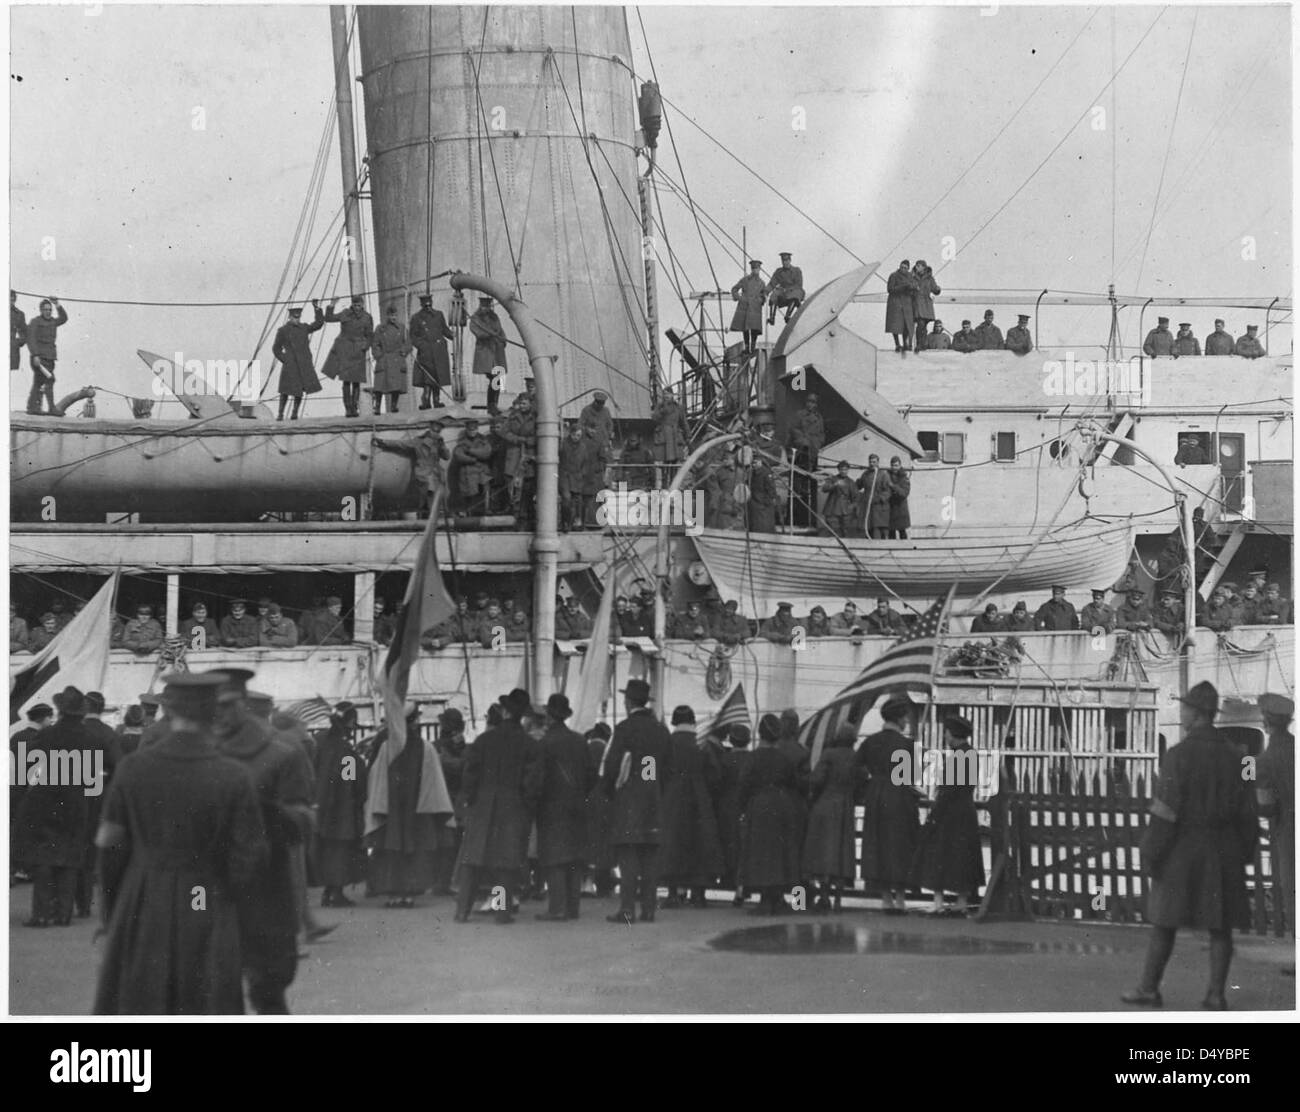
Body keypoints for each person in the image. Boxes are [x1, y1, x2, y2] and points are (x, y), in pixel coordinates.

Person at [93, 673, 267, 1014]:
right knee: (204, 993)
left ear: (168, 712)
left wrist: (113, 912)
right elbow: (250, 858)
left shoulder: (133, 768)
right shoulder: (233, 775)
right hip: (205, 897)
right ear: (213, 715)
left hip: (143, 896)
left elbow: (108, 845)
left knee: (141, 992)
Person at [1121, 682, 1256, 1009]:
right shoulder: (1237, 758)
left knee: (1164, 923)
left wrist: (1151, 850)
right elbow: (1248, 814)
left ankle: (1149, 989)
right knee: (1220, 927)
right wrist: (1244, 855)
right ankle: (1216, 995)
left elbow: (1165, 810)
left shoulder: (1178, 755)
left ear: (1195, 713)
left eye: (1184, 707)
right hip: (1223, 851)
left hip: (1182, 850)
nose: (1181, 712)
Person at [210, 668, 314, 1013]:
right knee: (214, 991)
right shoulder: (197, 752)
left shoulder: (282, 752)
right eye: (213, 706)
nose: (218, 714)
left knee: (269, 987)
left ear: (243, 703)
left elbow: (304, 820)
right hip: (210, 889)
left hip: (267, 886)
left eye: (226, 705)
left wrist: (266, 813)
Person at [456, 689, 541, 923]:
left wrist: (471, 800)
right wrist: (526, 806)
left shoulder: (484, 740)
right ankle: (502, 912)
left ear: (504, 712)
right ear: (523, 716)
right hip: (513, 808)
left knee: (473, 859)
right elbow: (532, 783)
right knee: (506, 862)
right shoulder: (529, 745)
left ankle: (462, 911)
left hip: (482, 806)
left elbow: (469, 775)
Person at [15, 687, 93, 927]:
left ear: (60, 711)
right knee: (70, 857)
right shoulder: (88, 737)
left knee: (44, 857)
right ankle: (63, 913)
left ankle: (41, 914)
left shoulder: (47, 735)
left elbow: (27, 767)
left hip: (45, 799)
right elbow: (92, 779)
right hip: (76, 801)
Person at [602, 678, 673, 925]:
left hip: (629, 800)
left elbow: (611, 766)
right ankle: (649, 909)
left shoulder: (624, 729)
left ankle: (627, 909)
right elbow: (664, 768)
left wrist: (610, 791)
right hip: (653, 798)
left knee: (628, 855)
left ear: (628, 701)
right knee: (650, 856)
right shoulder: (661, 731)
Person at [366, 706, 451, 909]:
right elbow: (434, 778)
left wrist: (376, 802)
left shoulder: (387, 747)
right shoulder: (426, 747)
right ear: (413, 722)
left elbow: (375, 775)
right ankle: (409, 894)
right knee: (414, 849)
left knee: (392, 848)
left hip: (393, 808)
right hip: (417, 808)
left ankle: (394, 894)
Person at [912, 715, 984, 916]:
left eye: (946, 732)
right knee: (962, 857)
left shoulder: (958, 757)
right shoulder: (970, 754)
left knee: (939, 855)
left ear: (953, 734)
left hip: (950, 813)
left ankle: (938, 901)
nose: (945, 736)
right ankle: (961, 901)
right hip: (965, 812)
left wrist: (934, 813)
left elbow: (949, 790)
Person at [533, 694, 594, 922]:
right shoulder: (580, 741)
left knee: (554, 857)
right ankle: (573, 908)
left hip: (551, 807)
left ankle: (556, 908)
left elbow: (538, 780)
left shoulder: (545, 743)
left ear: (549, 716)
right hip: (578, 805)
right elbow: (591, 776)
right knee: (574, 857)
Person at [858, 695, 921, 913]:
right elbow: (910, 776)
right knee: (901, 847)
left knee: (879, 847)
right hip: (900, 797)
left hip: (876, 798)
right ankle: (901, 898)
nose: (907, 721)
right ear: (899, 718)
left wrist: (870, 785)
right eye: (905, 717)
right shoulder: (906, 745)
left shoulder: (869, 742)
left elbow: (857, 770)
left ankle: (885, 898)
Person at [657, 706, 724, 909]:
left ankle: (672, 894)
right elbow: (715, 776)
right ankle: (699, 894)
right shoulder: (703, 745)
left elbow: (654, 771)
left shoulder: (666, 744)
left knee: (673, 844)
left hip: (672, 798)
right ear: (693, 723)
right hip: (699, 798)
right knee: (700, 843)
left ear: (674, 723)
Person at [737, 713, 802, 915]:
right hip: (783, 804)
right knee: (781, 851)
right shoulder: (785, 758)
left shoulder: (752, 758)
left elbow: (744, 785)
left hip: (759, 805)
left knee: (761, 852)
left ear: (760, 733)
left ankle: (765, 898)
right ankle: (779, 897)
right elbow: (794, 783)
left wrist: (742, 808)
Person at [801, 724, 860, 913]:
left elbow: (816, 779)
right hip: (846, 807)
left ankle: (822, 897)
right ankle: (838, 900)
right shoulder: (856, 757)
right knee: (842, 854)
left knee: (823, 853)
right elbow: (862, 779)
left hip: (825, 805)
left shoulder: (828, 754)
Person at [313, 702, 367, 908]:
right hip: (342, 809)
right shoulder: (345, 750)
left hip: (321, 805)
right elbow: (350, 781)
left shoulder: (320, 741)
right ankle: (336, 892)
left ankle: (328, 891)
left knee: (326, 849)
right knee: (341, 850)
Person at [76, 692, 122, 918]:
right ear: (102, 709)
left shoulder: (76, 730)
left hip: (71, 794)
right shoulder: (108, 733)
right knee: (91, 847)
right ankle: (85, 902)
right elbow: (118, 767)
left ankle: (66, 901)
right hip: (99, 795)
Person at [1256, 693, 1295, 944]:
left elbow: (1266, 807)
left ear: (1266, 722)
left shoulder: (1264, 761)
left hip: (1289, 833)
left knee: (1293, 892)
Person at [375, 418, 449, 518]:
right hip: (422, 473)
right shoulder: (419, 441)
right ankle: (427, 522)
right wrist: (383, 442)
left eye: (438, 430)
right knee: (427, 499)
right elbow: (401, 444)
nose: (436, 432)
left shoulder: (439, 443)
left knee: (432, 500)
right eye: (435, 429)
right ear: (430, 427)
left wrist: (442, 445)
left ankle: (430, 522)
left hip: (436, 474)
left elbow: (446, 456)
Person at [321, 295, 374, 418]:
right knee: (346, 381)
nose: (357, 308)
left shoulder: (367, 317)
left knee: (356, 382)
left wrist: (365, 346)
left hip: (358, 351)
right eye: (355, 305)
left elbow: (370, 335)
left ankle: (354, 407)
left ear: (363, 305)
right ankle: (348, 408)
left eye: (359, 305)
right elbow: (328, 318)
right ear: (352, 304)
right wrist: (332, 304)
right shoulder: (345, 313)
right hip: (345, 350)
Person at [271, 302, 324, 420]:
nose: (297, 319)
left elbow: (319, 324)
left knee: (299, 390)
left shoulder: (304, 328)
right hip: (290, 364)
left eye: (298, 317)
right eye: (295, 317)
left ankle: (294, 412)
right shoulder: (283, 330)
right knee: (285, 389)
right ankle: (280, 413)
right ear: (290, 317)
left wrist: (317, 309)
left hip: (303, 363)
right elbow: (276, 348)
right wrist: (285, 358)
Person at [786, 394, 825, 528]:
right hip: (800, 454)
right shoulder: (799, 415)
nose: (811, 404)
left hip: (813, 454)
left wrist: (817, 443)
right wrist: (803, 441)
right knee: (798, 487)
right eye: (809, 402)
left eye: (813, 402)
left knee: (811, 488)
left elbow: (821, 434)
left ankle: (811, 521)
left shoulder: (819, 418)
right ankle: (797, 520)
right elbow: (793, 430)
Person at [409, 294, 454, 409]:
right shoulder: (416, 318)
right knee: (427, 377)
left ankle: (436, 400)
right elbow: (413, 336)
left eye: (429, 304)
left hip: (439, 351)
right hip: (426, 352)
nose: (428, 307)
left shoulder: (439, 315)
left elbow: (444, 329)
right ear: (422, 305)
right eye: (425, 305)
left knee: (437, 375)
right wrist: (422, 346)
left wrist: (453, 335)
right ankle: (426, 400)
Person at [25, 297, 68, 415]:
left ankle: (32, 407)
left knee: (39, 382)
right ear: (41, 310)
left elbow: (64, 318)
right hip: (39, 359)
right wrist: (35, 355)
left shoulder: (53, 322)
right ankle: (51, 408)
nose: (48, 312)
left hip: (50, 358)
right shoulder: (35, 322)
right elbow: (31, 339)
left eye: (50, 310)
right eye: (46, 309)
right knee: (50, 379)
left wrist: (57, 304)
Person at [370, 302, 411, 415]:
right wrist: (378, 355)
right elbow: (375, 344)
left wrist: (404, 351)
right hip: (384, 358)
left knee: (396, 385)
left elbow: (408, 343)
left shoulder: (402, 328)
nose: (393, 317)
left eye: (395, 315)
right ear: (387, 316)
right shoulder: (380, 328)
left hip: (397, 359)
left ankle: (393, 406)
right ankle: (377, 407)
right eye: (391, 315)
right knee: (379, 385)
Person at [469, 296, 509, 413]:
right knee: (494, 378)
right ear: (480, 306)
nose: (486, 308)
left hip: (497, 351)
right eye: (484, 306)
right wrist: (491, 334)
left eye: (488, 306)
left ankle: (494, 404)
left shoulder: (494, 317)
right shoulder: (476, 318)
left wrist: (503, 341)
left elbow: (500, 330)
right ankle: (491, 405)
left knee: (498, 378)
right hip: (485, 352)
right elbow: (478, 333)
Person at [451, 418, 493, 515]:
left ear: (477, 429)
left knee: (484, 493)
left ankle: (484, 512)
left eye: (474, 429)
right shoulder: (462, 441)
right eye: (470, 429)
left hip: (481, 471)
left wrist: (470, 451)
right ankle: (469, 515)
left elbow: (486, 453)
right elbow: (458, 455)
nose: (472, 432)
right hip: (468, 472)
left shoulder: (483, 440)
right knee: (469, 496)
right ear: (466, 429)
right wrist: (473, 460)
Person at [651, 385, 690, 482]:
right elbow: (655, 419)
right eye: (664, 394)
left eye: (668, 394)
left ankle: (673, 484)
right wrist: (662, 410)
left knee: (675, 463)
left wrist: (688, 436)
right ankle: (662, 485)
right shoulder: (659, 406)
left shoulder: (678, 407)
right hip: (663, 438)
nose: (666, 396)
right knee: (662, 463)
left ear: (672, 395)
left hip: (674, 438)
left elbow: (684, 422)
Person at [559, 422, 593, 531]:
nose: (576, 438)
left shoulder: (583, 447)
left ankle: (572, 524)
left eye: (578, 436)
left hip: (577, 477)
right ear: (570, 433)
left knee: (576, 502)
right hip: (565, 476)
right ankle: (565, 522)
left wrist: (582, 473)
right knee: (566, 499)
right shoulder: (563, 444)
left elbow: (586, 463)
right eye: (574, 435)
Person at [730, 259, 766, 355]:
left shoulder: (762, 283)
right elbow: (734, 289)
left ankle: (753, 347)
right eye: (754, 268)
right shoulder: (745, 280)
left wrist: (761, 300)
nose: (755, 270)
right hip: (745, 306)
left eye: (757, 268)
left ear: (759, 269)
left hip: (755, 308)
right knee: (745, 328)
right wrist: (739, 298)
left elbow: (764, 295)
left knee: (755, 329)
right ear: (751, 269)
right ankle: (747, 348)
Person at [856, 454, 894, 539]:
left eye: (874, 462)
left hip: (880, 507)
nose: (872, 464)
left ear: (878, 462)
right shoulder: (865, 474)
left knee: (880, 529)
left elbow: (888, 491)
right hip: (868, 507)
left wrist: (879, 498)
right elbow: (859, 485)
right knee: (868, 528)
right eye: (870, 462)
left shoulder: (883, 474)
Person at [885, 260, 917, 353]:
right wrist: (903, 286)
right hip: (896, 303)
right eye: (902, 267)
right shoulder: (893, 275)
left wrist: (911, 287)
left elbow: (914, 285)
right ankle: (897, 344)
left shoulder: (910, 276)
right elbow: (890, 289)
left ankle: (905, 344)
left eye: (905, 268)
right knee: (895, 325)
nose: (903, 269)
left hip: (907, 303)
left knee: (906, 325)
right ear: (899, 266)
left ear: (908, 268)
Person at [765, 251, 805, 325]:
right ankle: (772, 318)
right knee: (774, 294)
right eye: (783, 261)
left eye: (786, 260)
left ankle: (788, 316)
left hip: (794, 292)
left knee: (796, 293)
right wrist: (765, 292)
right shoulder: (779, 272)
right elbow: (772, 283)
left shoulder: (796, 270)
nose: (785, 262)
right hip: (783, 294)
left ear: (790, 260)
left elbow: (799, 284)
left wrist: (788, 289)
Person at [818, 460, 857, 536]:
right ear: (838, 470)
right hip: (833, 509)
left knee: (845, 532)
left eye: (845, 470)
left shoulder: (851, 482)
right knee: (833, 531)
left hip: (845, 511)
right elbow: (824, 489)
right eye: (841, 469)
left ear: (848, 470)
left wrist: (851, 508)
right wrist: (835, 484)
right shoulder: (833, 479)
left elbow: (856, 498)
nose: (843, 471)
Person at [910, 260, 941, 351]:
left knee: (923, 325)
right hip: (917, 304)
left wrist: (937, 289)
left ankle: (922, 344)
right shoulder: (912, 278)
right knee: (921, 324)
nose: (917, 267)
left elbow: (935, 288)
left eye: (919, 266)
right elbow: (909, 288)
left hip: (926, 305)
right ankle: (920, 344)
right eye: (916, 266)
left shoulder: (929, 278)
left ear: (924, 267)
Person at [747, 452, 778, 533]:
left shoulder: (766, 473)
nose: (753, 465)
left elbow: (771, 490)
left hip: (763, 506)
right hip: (754, 504)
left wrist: (764, 502)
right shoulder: (752, 473)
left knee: (764, 527)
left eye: (755, 462)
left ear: (760, 462)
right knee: (755, 527)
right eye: (752, 463)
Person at [579, 390, 615, 455]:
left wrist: (609, 433)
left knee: (605, 459)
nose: (601, 406)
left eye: (603, 403)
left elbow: (610, 424)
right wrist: (587, 430)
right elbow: (580, 425)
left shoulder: (606, 410)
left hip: (603, 442)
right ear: (595, 402)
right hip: (590, 442)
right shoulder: (586, 410)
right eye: (600, 403)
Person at [886, 456, 911, 539]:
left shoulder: (904, 478)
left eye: (896, 465)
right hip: (891, 509)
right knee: (891, 533)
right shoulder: (887, 476)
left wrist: (893, 486)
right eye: (893, 465)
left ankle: (905, 550)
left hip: (901, 509)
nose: (894, 468)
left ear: (900, 466)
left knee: (902, 532)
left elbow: (904, 493)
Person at [11, 289, 27, 372]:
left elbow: (24, 332)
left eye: (12, 299)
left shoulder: (19, 314)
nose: (10, 302)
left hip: (12, 350)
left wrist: (18, 342)